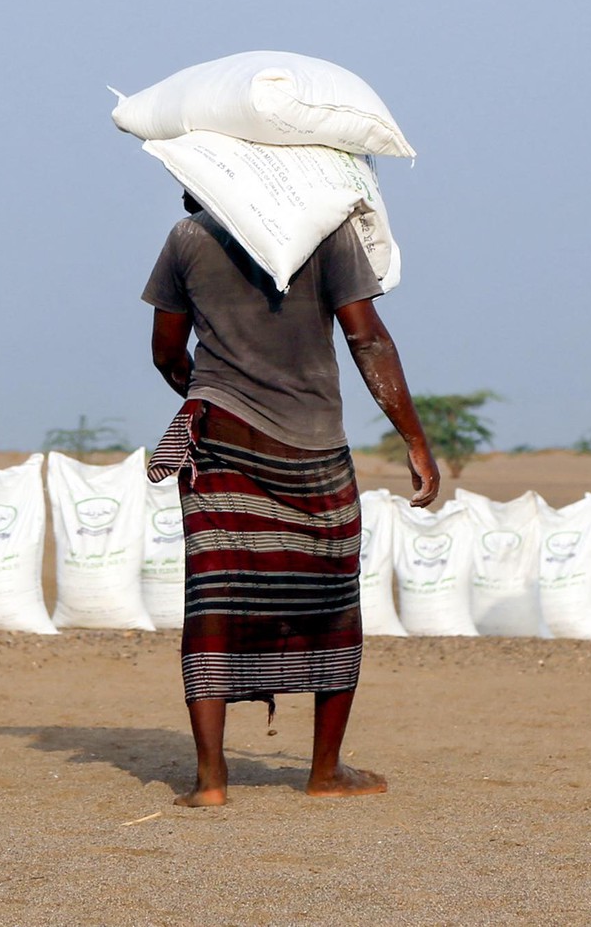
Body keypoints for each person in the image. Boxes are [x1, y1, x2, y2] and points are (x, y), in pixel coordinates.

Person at [145, 192, 440, 807]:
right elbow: (369, 340)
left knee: (215, 596)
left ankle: (211, 782)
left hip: (219, 436)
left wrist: (209, 385)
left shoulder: (186, 238)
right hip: (313, 447)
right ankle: (325, 772)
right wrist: (413, 438)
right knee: (331, 600)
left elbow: (166, 350)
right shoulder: (328, 233)